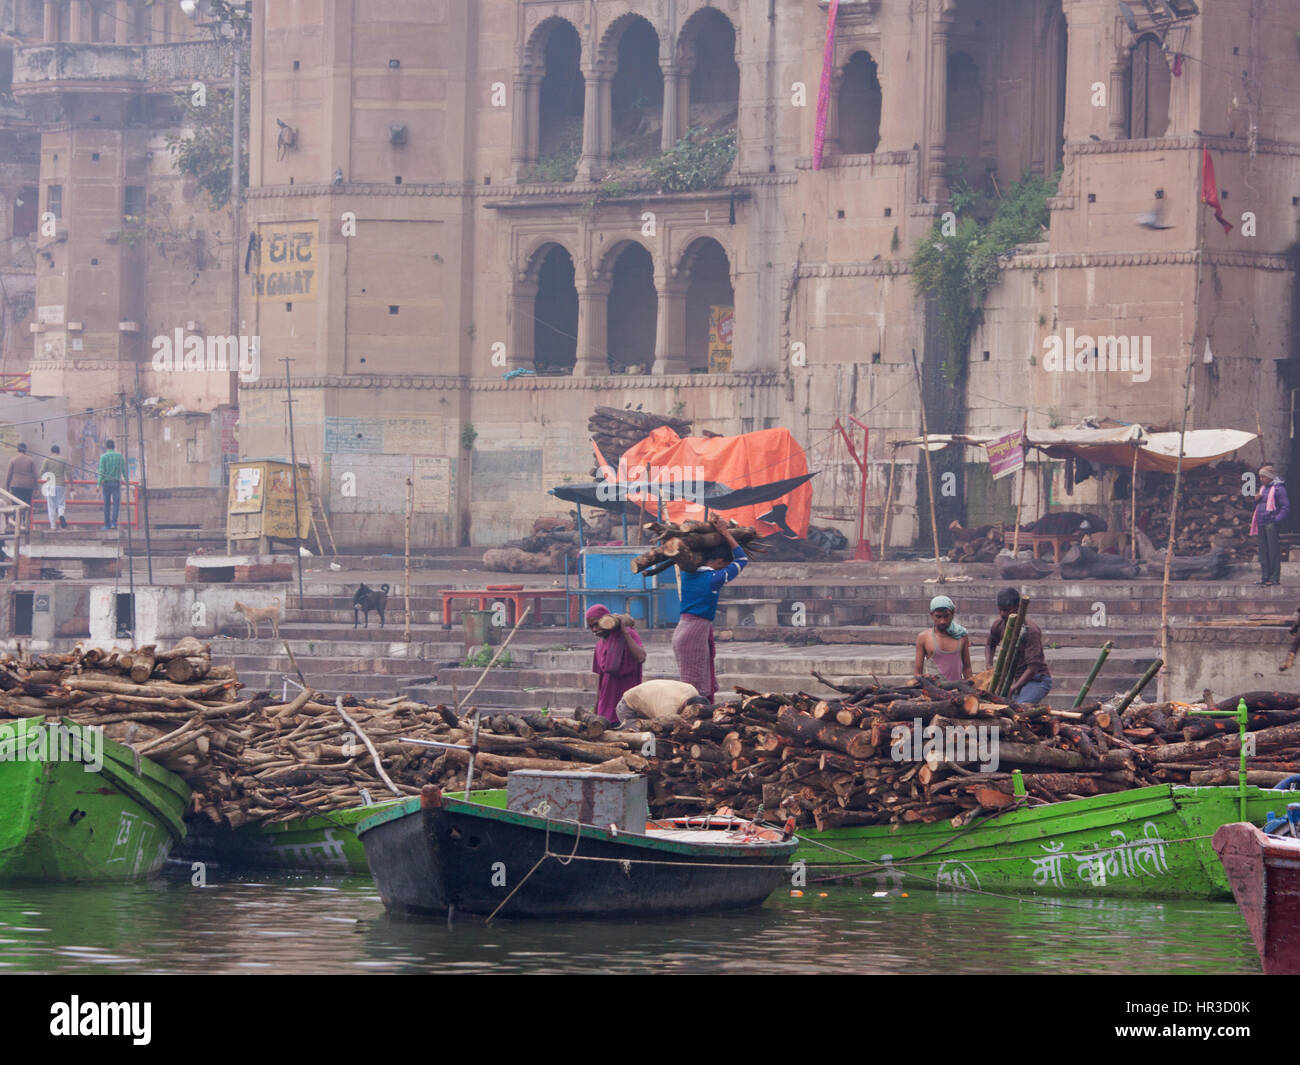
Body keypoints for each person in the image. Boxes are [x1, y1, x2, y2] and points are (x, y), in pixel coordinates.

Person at [672, 515, 747, 701]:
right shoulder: (714, 579)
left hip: (683, 629)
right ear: (720, 561)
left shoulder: (689, 574)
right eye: (725, 565)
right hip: (694, 632)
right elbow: (742, 559)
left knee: (693, 679)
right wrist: (725, 533)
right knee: (695, 686)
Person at [985, 587, 1053, 705]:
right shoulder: (998, 625)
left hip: (1037, 680)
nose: (1003, 614)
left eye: (1007, 610)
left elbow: (1033, 668)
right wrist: (989, 665)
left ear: (1018, 607)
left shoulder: (1031, 631)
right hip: (1015, 680)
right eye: (1000, 610)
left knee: (1019, 707)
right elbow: (989, 645)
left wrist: (1014, 687)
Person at [586, 604, 645, 725]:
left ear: (605, 620)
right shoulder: (599, 645)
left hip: (627, 707)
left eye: (596, 624)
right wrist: (596, 711)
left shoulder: (629, 634)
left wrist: (625, 633)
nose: (594, 630)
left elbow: (641, 657)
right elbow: (600, 683)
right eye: (590, 627)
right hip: (606, 708)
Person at [913, 594, 973, 683]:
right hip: (934, 692)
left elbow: (967, 668)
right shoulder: (923, 638)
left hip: (957, 690)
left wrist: (970, 687)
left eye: (946, 616)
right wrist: (925, 679)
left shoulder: (961, 635)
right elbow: (917, 674)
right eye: (938, 616)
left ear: (952, 614)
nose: (943, 621)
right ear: (932, 615)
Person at [1252, 464, 1290, 586]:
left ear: (1270, 477)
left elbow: (1285, 507)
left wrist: (1276, 520)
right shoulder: (1263, 489)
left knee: (1273, 551)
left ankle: (1274, 578)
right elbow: (1260, 505)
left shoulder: (1279, 489)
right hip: (1261, 522)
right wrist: (1257, 499)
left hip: (1271, 523)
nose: (1261, 479)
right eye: (1260, 477)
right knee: (1263, 551)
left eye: (1263, 477)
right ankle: (1265, 577)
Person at [614, 678, 706, 728]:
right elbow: (660, 727)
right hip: (629, 707)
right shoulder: (668, 708)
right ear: (686, 706)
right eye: (688, 713)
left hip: (652, 700)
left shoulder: (693, 691)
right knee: (642, 741)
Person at [4, 442, 37, 531]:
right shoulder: (30, 460)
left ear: (17, 449)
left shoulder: (13, 460)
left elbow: (9, 475)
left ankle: (16, 526)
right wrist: (36, 488)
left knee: (16, 506)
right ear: (25, 450)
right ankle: (26, 526)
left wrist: (7, 487)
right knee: (26, 506)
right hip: (28, 486)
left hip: (16, 486)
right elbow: (34, 475)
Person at [39, 444, 69, 531]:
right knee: (61, 503)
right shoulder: (63, 460)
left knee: (51, 506)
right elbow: (69, 472)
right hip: (61, 484)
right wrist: (71, 484)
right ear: (59, 452)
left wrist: (45, 478)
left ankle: (53, 526)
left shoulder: (47, 460)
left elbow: (41, 472)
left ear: (51, 452)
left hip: (50, 484)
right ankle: (60, 514)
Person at [98, 439, 126, 530]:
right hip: (116, 482)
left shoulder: (103, 457)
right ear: (114, 446)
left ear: (106, 447)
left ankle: (107, 525)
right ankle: (114, 523)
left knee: (106, 504)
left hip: (106, 483)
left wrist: (98, 484)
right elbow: (123, 470)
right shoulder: (119, 456)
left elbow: (101, 471)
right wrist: (126, 480)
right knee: (116, 503)